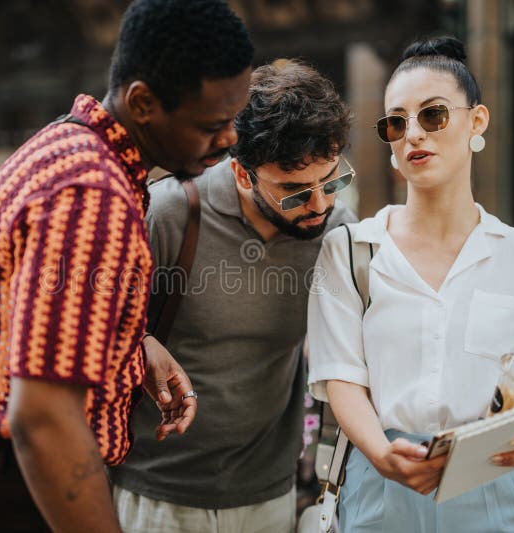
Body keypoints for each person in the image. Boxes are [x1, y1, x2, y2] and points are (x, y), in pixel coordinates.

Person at [0, 1, 254, 532]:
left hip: (0, 484)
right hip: (14, 496)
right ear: (142, 102)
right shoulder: (92, 195)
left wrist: (133, 343)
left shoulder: (72, 146)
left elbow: (30, 316)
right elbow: (43, 418)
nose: (230, 139)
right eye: (212, 124)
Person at [307, 36, 514, 532]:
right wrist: (384, 457)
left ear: (477, 121)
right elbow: (342, 379)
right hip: (382, 489)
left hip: (495, 489)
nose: (413, 135)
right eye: (396, 123)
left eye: (434, 115)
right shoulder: (352, 250)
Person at [110, 59, 355, 533]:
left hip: (270, 495)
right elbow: (96, 330)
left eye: (332, 182)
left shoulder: (338, 234)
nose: (320, 205)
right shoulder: (170, 214)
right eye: (294, 193)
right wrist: (137, 342)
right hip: (157, 494)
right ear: (242, 174)